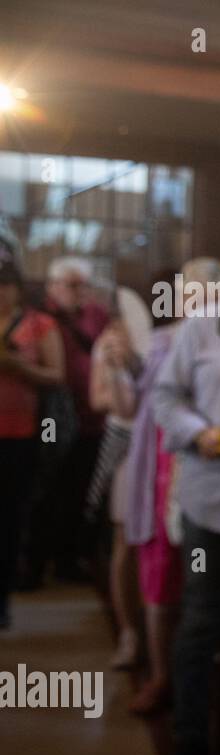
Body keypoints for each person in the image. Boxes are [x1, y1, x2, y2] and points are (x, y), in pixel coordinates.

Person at [152, 256, 220, 755]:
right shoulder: (202, 325)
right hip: (210, 495)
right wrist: (197, 431)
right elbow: (165, 396)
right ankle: (191, 737)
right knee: (202, 617)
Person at [22, 256, 111, 587]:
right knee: (45, 485)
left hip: (92, 420)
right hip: (51, 419)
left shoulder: (97, 315)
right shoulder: (39, 318)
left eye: (84, 285)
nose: (79, 291)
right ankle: (33, 563)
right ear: (53, 286)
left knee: (79, 490)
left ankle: (68, 560)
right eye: (72, 285)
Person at [120, 288, 183, 716]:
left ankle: (190, 678)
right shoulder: (160, 344)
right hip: (161, 472)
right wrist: (118, 366)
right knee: (159, 576)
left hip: (210, 477)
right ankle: (161, 675)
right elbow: (129, 405)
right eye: (193, 297)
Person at [0, 240, 65, 628]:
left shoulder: (40, 325)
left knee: (8, 520)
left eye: (7, 283)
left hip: (20, 437)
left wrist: (15, 366)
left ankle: (3, 596)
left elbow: (57, 377)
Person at [87, 286, 153, 668]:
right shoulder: (107, 345)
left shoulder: (159, 342)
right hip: (125, 444)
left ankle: (154, 623)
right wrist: (116, 370)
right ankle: (129, 631)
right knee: (125, 540)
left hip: (161, 444)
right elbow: (102, 402)